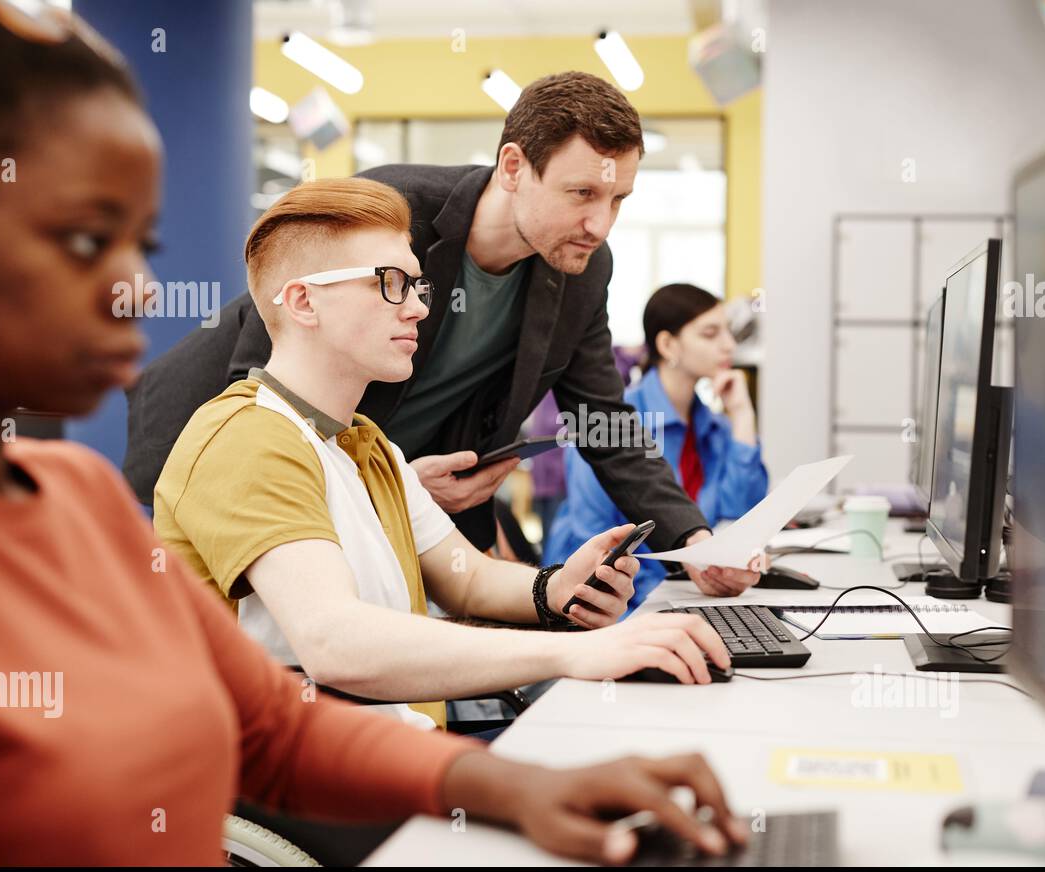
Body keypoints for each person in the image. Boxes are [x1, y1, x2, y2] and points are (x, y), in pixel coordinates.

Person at [0, 1, 747, 866]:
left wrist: (518, 784)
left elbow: (273, 726)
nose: (141, 291)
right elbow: (326, 627)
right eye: (84, 239)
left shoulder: (81, 497)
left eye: (142, 247)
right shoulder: (251, 432)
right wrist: (577, 656)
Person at [123, 70, 760, 600]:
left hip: (395, 481)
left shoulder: (582, 270)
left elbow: (603, 419)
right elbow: (266, 383)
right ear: (513, 166)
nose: (601, 224)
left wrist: (694, 541)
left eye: (618, 199)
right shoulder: (391, 214)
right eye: (581, 193)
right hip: (224, 451)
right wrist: (378, 487)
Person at [154, 178, 735, 740]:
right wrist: (576, 652)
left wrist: (557, 588)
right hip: (313, 780)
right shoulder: (248, 439)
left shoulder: (368, 445)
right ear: (304, 302)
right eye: (389, 283)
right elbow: (333, 641)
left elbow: (468, 579)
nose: (416, 309)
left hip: (399, 748)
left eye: (416, 286)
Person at [545, 284, 769, 612]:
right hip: (611, 603)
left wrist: (743, 416)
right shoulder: (611, 425)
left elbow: (739, 515)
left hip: (688, 594)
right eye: (710, 334)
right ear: (667, 345)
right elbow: (592, 542)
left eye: (728, 332)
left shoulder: (713, 427)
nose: (729, 345)